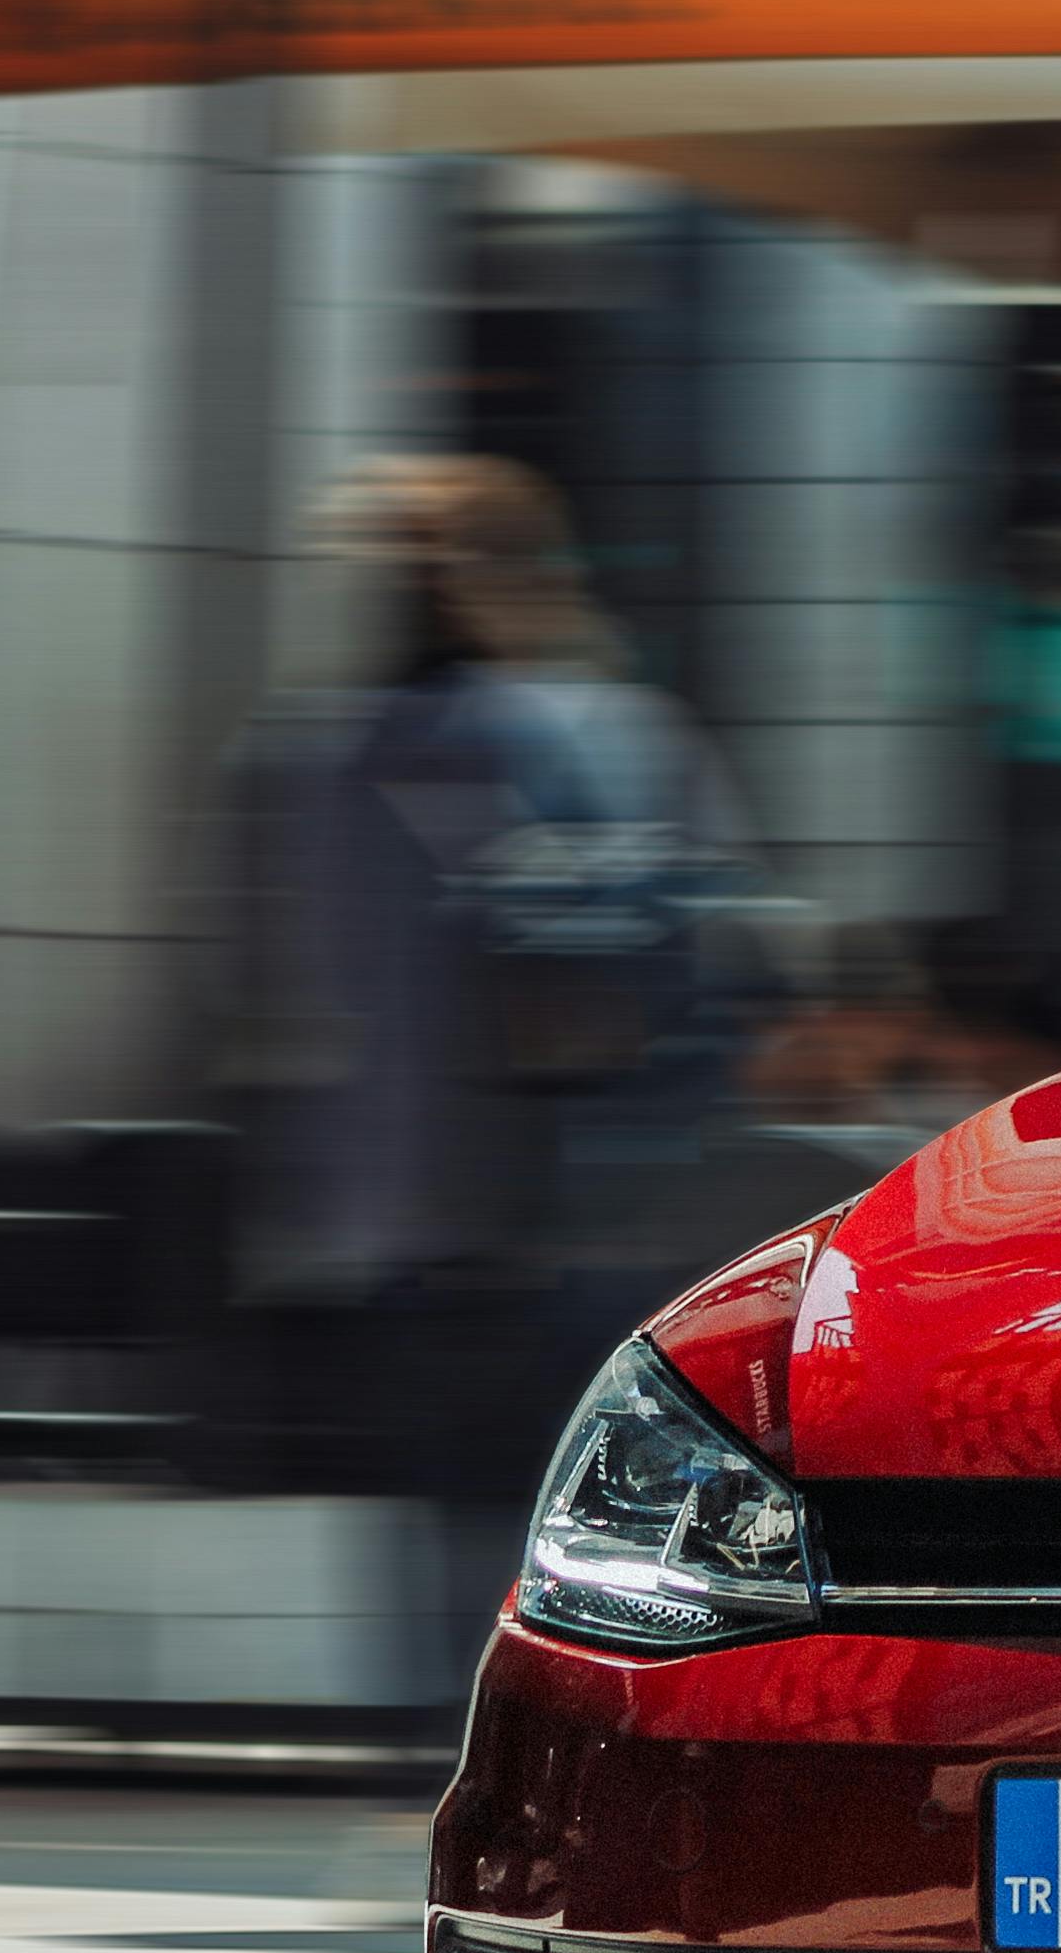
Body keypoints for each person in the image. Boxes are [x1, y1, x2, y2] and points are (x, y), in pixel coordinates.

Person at [218, 456, 768, 1725]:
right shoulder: (604, 731)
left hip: (404, 1218)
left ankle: (451, 1771)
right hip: (591, 1211)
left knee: (451, 1521)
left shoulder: (307, 756)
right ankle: (542, 1777)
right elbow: (711, 958)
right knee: (591, 1528)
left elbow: (267, 990)